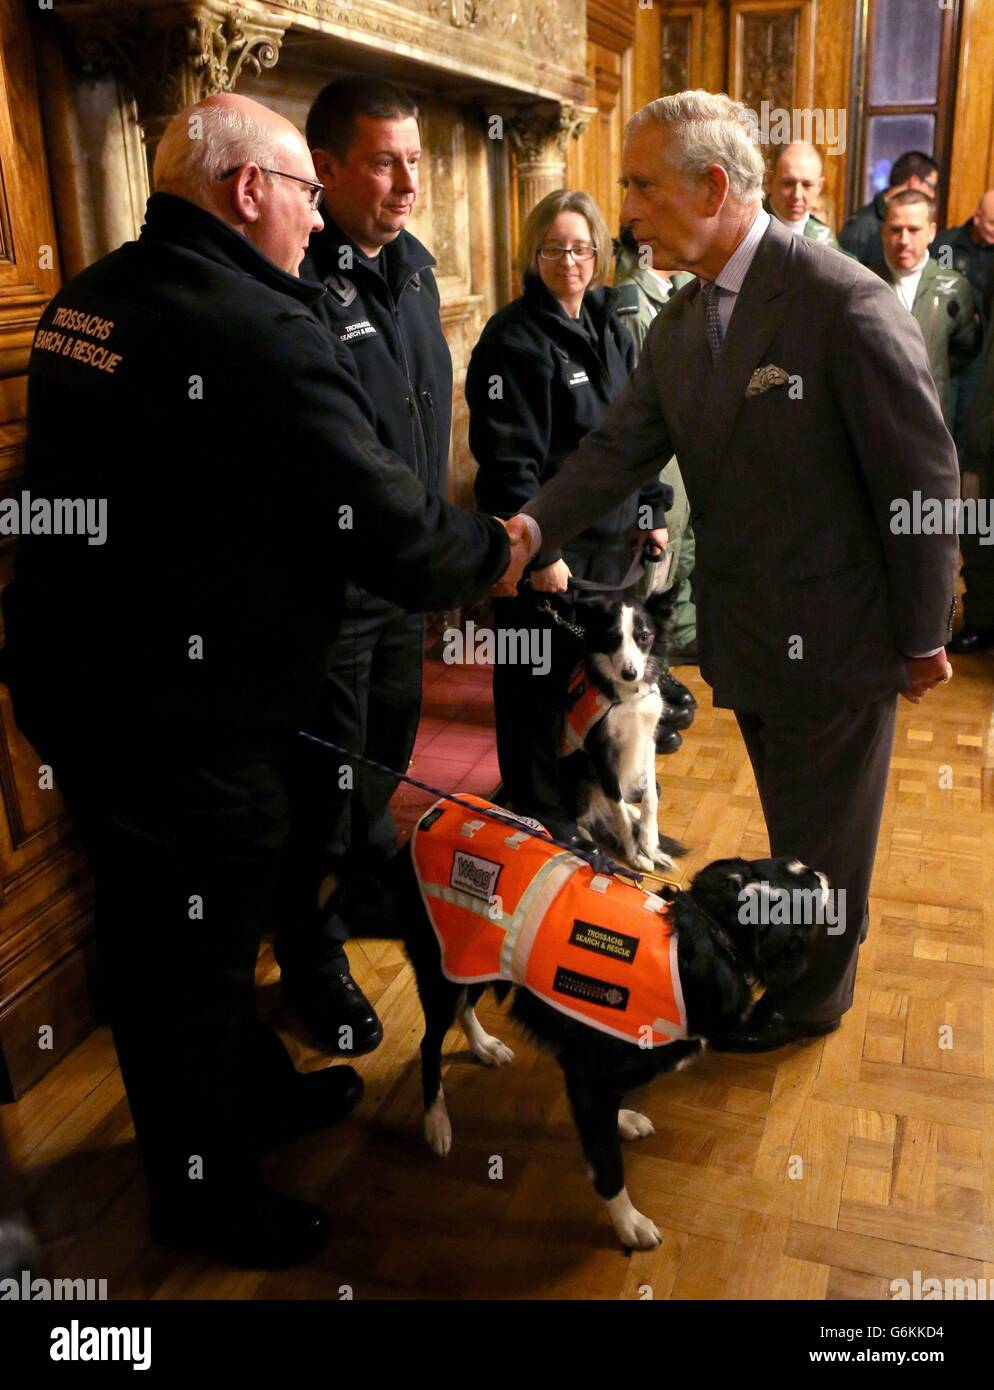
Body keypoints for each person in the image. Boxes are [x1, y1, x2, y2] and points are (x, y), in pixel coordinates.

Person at [0, 93, 517, 1268]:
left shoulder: (93, 295)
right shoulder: (259, 326)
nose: (309, 220)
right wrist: (500, 551)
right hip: (179, 717)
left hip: (86, 686)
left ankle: (254, 1096)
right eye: (300, 193)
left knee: (187, 937)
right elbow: (385, 524)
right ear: (248, 192)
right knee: (184, 963)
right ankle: (204, 1197)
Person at [501, 90, 958, 1053]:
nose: (625, 209)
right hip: (749, 642)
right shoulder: (679, 326)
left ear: (712, 186)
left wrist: (922, 636)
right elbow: (613, 454)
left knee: (827, 841)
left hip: (840, 642)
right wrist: (530, 532)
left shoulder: (842, 302)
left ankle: (812, 999)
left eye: (639, 184)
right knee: (804, 832)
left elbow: (922, 477)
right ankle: (823, 940)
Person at [272, 76, 447, 1058]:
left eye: (415, 162)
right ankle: (311, 960)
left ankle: (360, 878)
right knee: (323, 786)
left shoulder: (414, 268)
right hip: (333, 593)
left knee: (387, 750)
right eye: (385, 162)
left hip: (402, 581)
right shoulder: (297, 283)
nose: (406, 182)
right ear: (327, 167)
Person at [466, 189, 670, 836]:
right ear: (535, 253)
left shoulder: (609, 326)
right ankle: (534, 826)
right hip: (547, 563)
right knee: (533, 701)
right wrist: (543, 551)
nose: (570, 261)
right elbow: (507, 463)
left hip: (608, 558)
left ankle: (578, 820)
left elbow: (637, 437)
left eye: (582, 247)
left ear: (600, 251)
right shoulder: (513, 340)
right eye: (555, 248)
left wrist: (653, 512)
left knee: (583, 703)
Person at [613, 225, 699, 687]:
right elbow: (635, 408)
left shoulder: (680, 289)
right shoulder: (632, 300)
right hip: (658, 461)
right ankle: (634, 686)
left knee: (673, 569)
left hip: (682, 456)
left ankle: (658, 673)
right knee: (645, 578)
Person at [872, 191, 980, 430]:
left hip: (932, 423)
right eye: (896, 229)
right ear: (883, 231)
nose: (904, 240)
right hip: (874, 421)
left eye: (914, 230)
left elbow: (967, 349)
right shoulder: (862, 281)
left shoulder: (953, 287)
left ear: (931, 232)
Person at [839, 150, 940, 266]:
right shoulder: (863, 225)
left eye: (913, 230)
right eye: (931, 186)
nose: (932, 194)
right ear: (914, 181)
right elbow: (842, 274)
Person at [764, 141, 840, 250]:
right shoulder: (751, 227)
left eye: (807, 185)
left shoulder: (825, 238)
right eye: (788, 184)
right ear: (770, 181)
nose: (797, 195)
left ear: (819, 186)